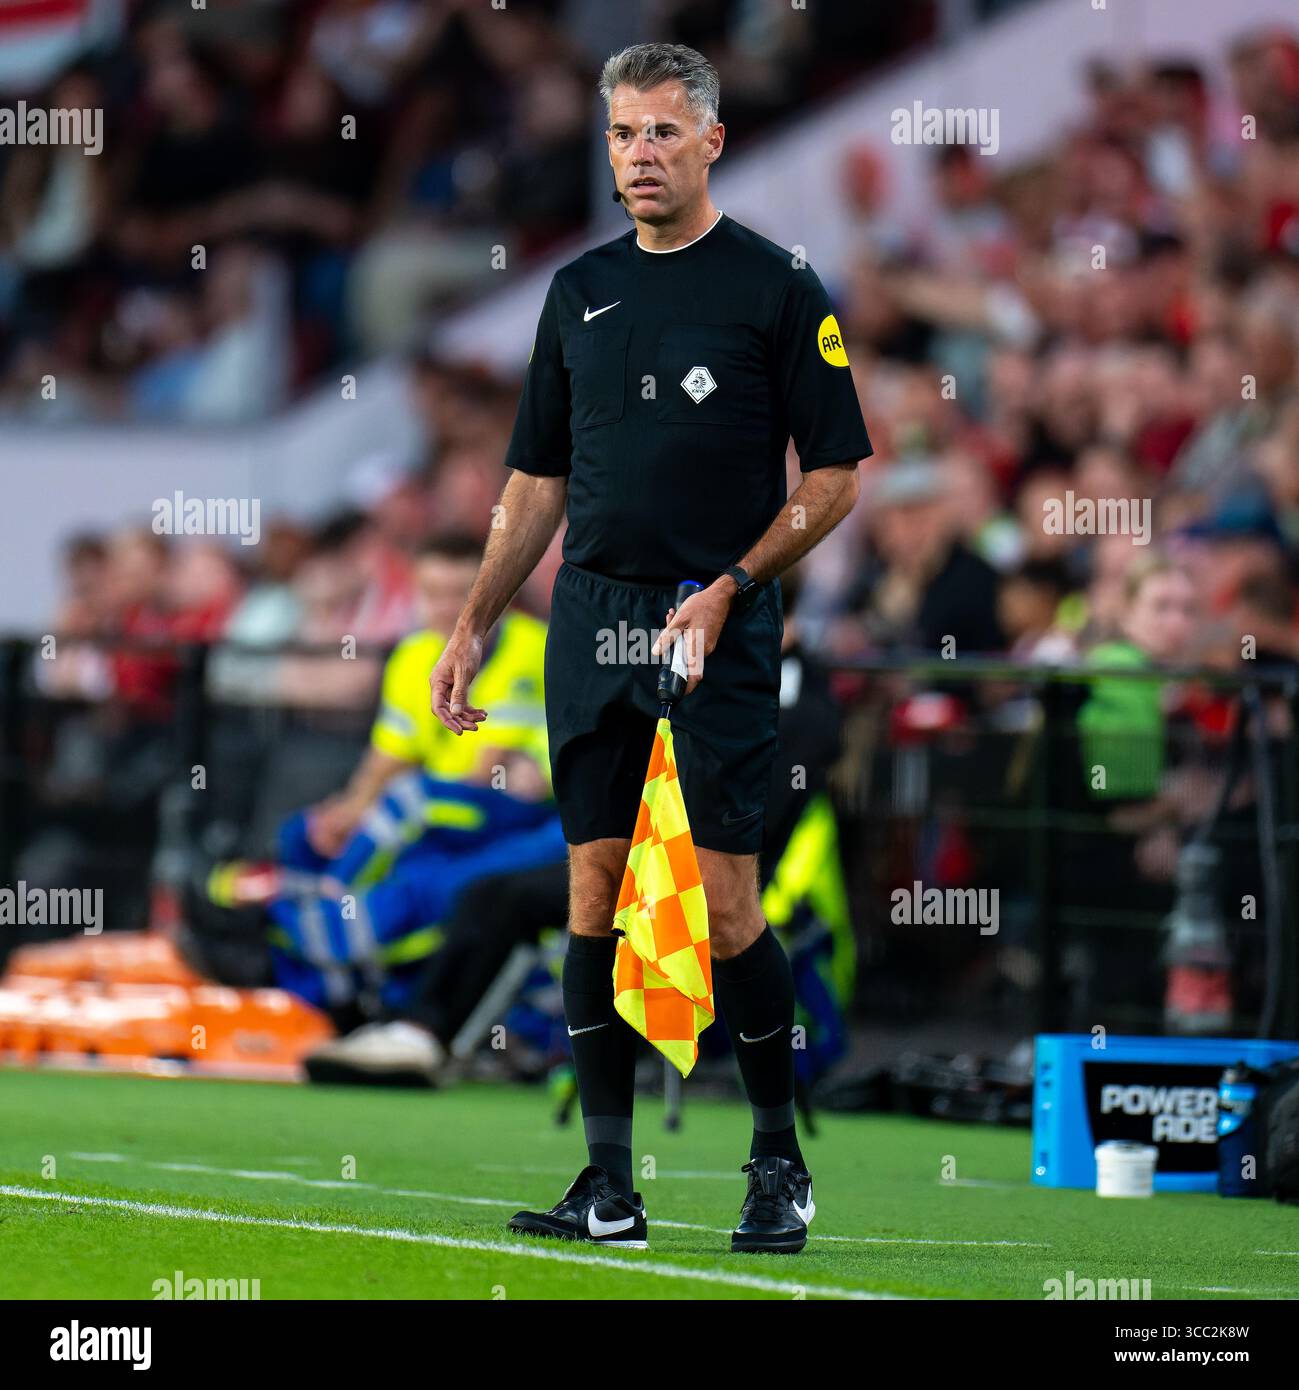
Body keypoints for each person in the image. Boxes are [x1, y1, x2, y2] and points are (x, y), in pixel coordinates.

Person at [429, 43, 870, 1255]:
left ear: (713, 139)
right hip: (594, 614)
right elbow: (534, 479)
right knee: (591, 892)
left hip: (715, 620)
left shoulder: (778, 285)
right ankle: (609, 1183)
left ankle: (777, 1163)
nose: (640, 155)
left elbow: (834, 478)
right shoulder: (577, 291)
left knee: (730, 903)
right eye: (623, 134)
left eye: (664, 133)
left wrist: (732, 586)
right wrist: (473, 616)